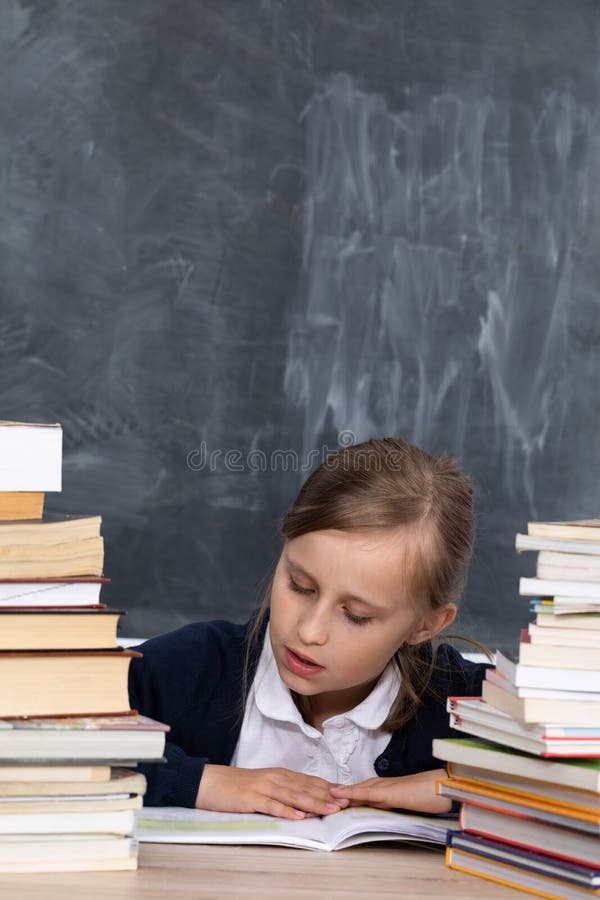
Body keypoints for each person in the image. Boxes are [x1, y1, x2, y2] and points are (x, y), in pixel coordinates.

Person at [129, 437, 489, 817]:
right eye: (300, 586)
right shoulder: (191, 668)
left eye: (356, 615)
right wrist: (198, 781)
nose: (310, 631)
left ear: (424, 625)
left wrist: (461, 784)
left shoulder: (466, 705)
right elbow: (64, 730)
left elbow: (558, 773)